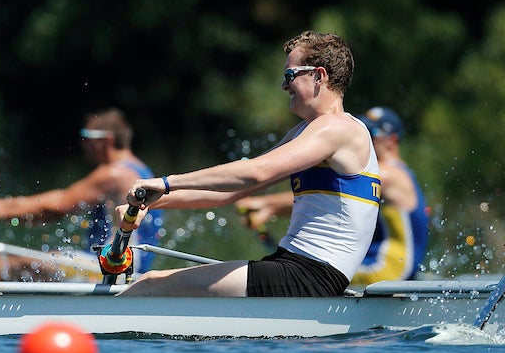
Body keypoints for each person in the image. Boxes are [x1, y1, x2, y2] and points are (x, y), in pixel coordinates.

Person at [117, 30, 380, 297]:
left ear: (318, 76)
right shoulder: (308, 131)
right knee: (152, 284)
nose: (284, 86)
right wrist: (151, 200)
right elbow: (230, 192)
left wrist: (167, 182)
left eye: (290, 76)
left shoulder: (337, 128)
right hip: (297, 268)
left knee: (150, 284)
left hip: (311, 274)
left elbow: (256, 172)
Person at [235, 106, 430, 286]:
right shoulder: (392, 174)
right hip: (390, 272)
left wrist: (265, 204)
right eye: (365, 133)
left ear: (393, 141)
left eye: (373, 134)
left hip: (387, 271)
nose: (366, 140)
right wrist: (271, 208)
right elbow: (327, 204)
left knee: (313, 271)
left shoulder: (390, 175)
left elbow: (333, 196)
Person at [0, 109, 164, 280]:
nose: (83, 144)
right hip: (126, 267)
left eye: (86, 137)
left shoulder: (115, 174)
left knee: (2, 265)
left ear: (106, 140)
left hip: (112, 269)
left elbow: (57, 206)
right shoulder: (141, 169)